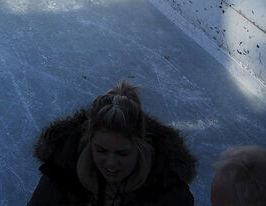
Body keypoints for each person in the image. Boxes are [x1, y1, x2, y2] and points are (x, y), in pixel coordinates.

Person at [28, 80, 196, 206]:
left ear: (140, 144)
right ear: (89, 140)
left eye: (122, 153)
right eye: (101, 151)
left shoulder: (166, 184)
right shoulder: (64, 168)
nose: (111, 163)